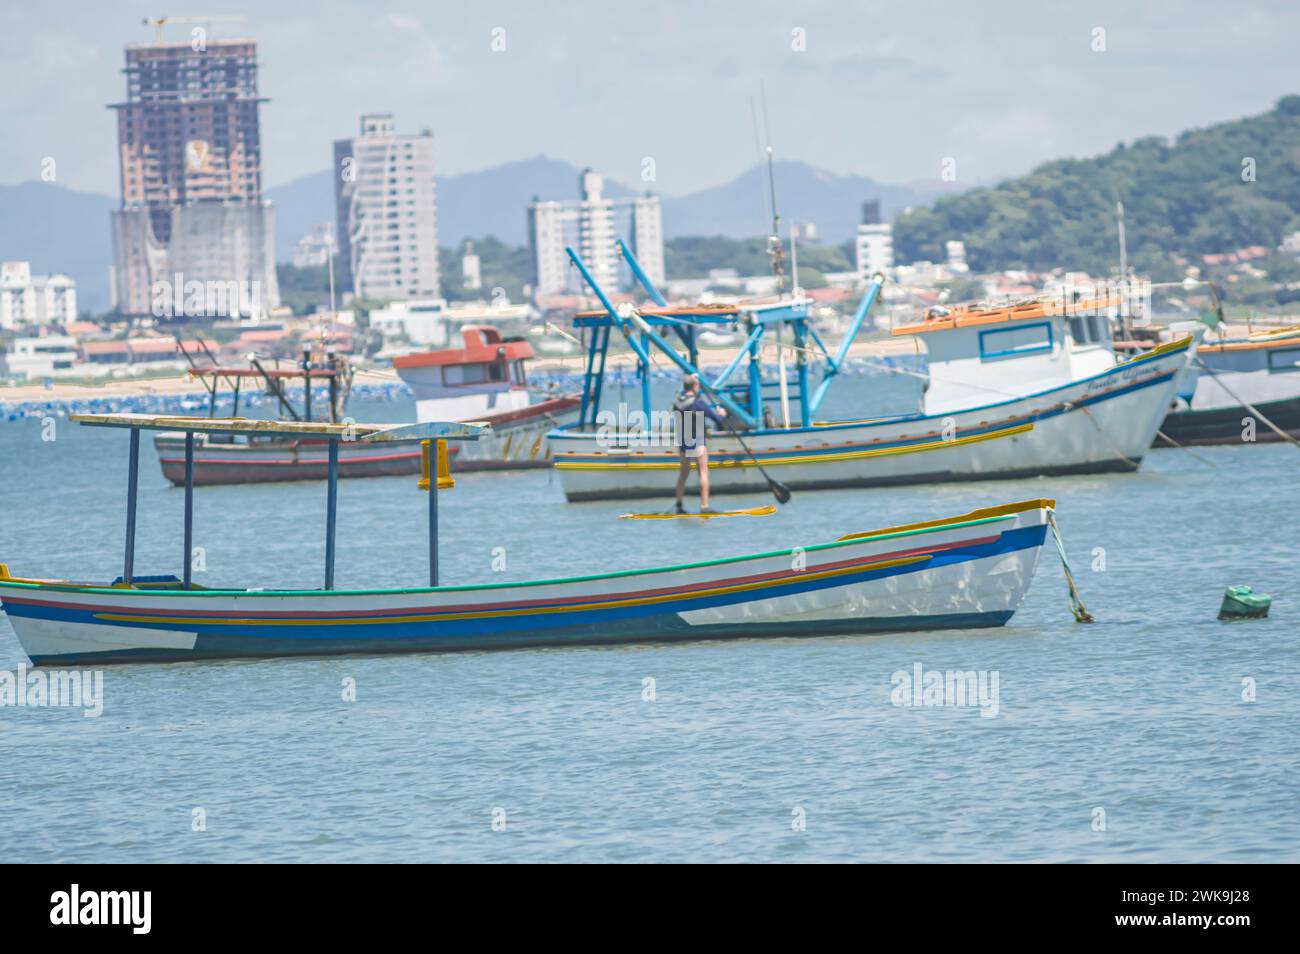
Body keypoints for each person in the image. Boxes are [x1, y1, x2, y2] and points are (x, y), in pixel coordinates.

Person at [672, 373, 727, 514]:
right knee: (703, 472)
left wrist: (691, 379)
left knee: (683, 473)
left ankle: (679, 505)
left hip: (683, 440)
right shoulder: (698, 403)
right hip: (696, 440)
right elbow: (718, 421)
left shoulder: (677, 401)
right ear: (695, 386)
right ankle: (704, 506)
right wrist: (722, 414)